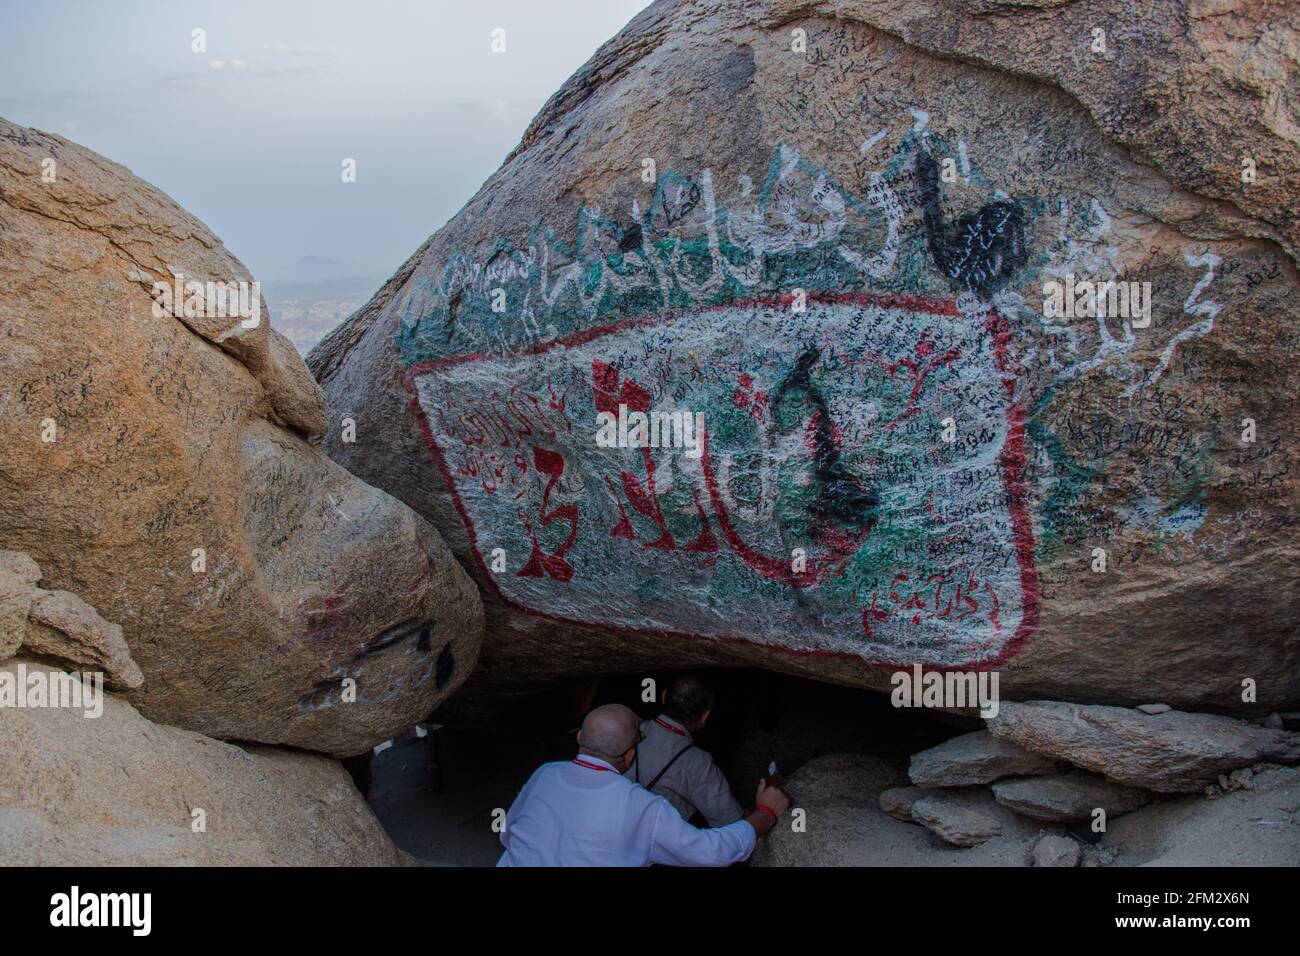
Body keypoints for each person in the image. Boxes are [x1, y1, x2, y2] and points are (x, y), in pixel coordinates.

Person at [498, 703, 789, 866]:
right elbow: (711, 852)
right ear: (630, 755)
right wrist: (766, 813)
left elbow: (507, 834)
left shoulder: (545, 774)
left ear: (579, 739)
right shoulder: (643, 807)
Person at [626, 674, 743, 827]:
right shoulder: (698, 764)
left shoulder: (626, 730)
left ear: (663, 696)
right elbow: (733, 826)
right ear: (705, 716)